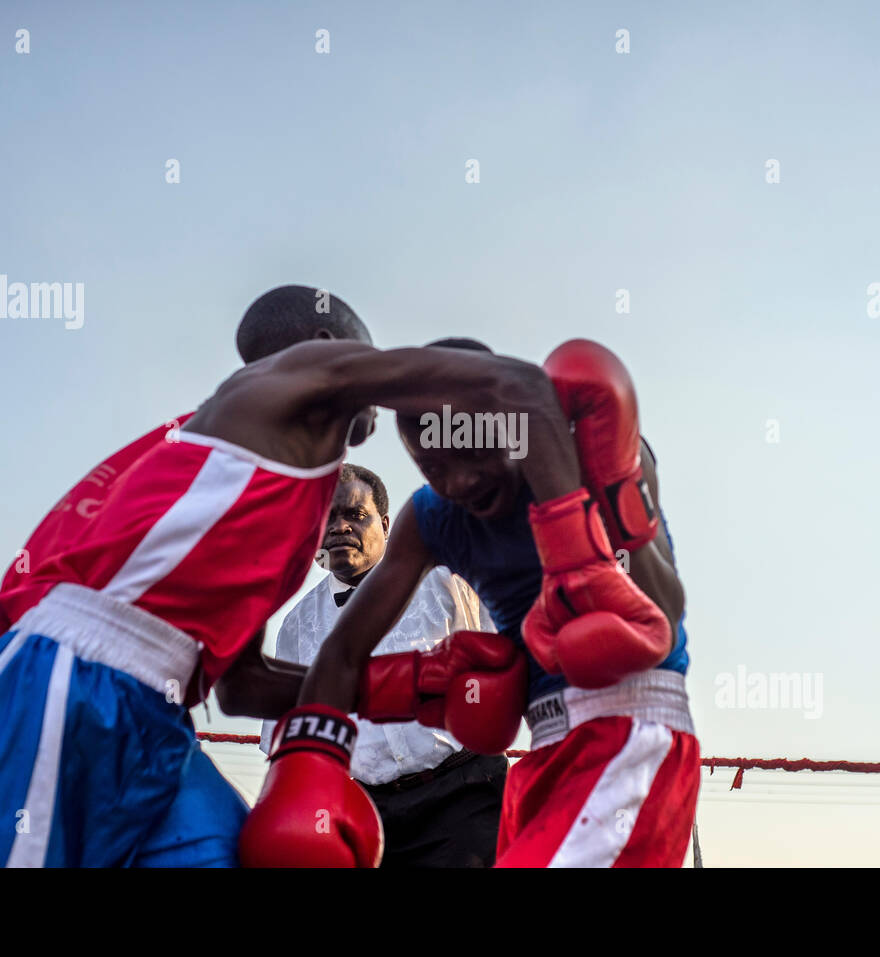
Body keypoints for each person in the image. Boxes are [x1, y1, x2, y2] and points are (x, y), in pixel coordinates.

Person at [0, 289, 582, 868]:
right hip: (74, 673)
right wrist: (574, 543)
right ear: (322, 340)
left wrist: (412, 685)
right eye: (363, 351)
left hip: (161, 713)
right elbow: (507, 382)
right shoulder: (284, 382)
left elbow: (241, 684)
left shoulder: (272, 490)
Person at [266, 337, 700, 867]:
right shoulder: (432, 517)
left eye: (470, 454)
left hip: (632, 737)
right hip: (545, 750)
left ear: (510, 421)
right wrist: (309, 767)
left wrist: (582, 552)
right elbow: (340, 656)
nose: (459, 481)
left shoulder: (588, 454)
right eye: (432, 466)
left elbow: (665, 612)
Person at [256, 463, 506, 867]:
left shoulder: (447, 578)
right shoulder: (297, 625)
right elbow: (283, 738)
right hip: (368, 812)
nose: (339, 527)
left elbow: (508, 653)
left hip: (465, 791)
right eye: (328, 518)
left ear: (385, 524)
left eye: (355, 515)